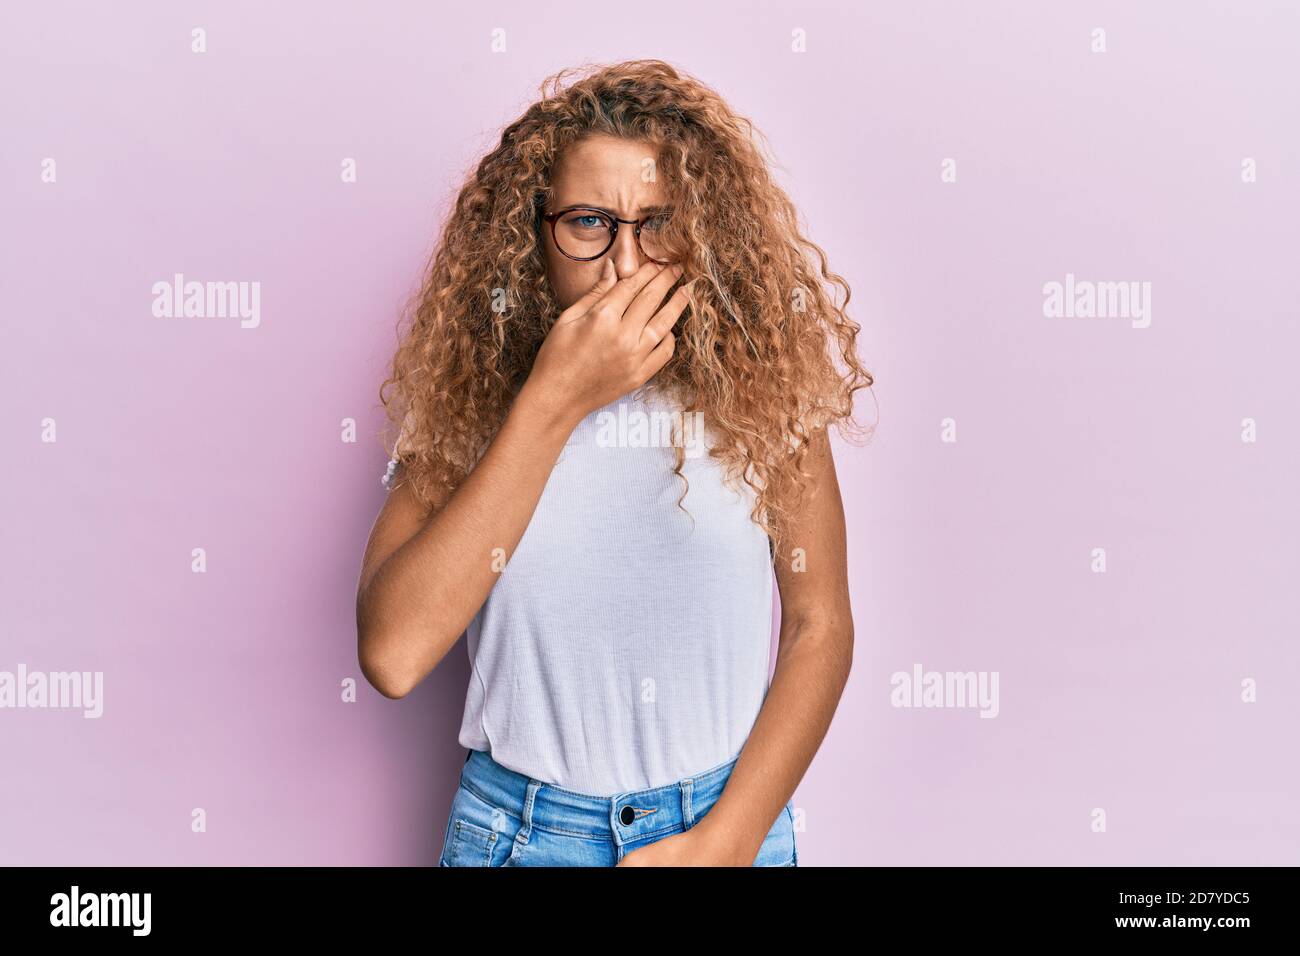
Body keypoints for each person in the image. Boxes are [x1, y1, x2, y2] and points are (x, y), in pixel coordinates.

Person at [356, 59, 873, 866]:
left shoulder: (764, 388)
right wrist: (552, 402)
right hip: (522, 838)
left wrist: (724, 844)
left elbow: (820, 626)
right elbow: (392, 653)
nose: (626, 265)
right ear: (536, 231)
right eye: (590, 222)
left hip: (726, 827)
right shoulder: (475, 398)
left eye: (660, 223)